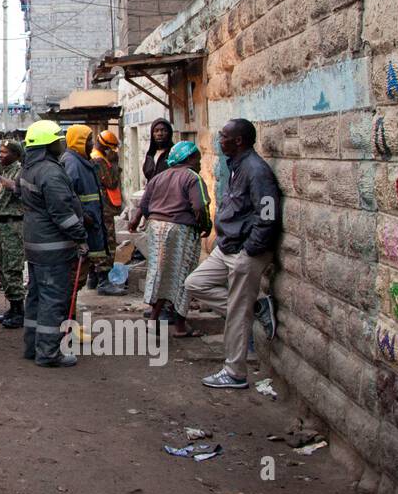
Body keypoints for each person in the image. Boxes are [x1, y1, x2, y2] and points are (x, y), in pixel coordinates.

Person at [182, 120, 282, 389]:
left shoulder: (256, 171)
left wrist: (249, 251)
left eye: (224, 137)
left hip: (245, 252)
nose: (219, 141)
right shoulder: (236, 166)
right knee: (194, 284)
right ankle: (256, 306)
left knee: (237, 313)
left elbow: (268, 215)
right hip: (226, 248)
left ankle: (235, 372)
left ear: (238, 141)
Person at [20, 120, 89, 368]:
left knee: (36, 297)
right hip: (54, 248)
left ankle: (32, 347)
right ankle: (49, 353)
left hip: (36, 245)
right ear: (49, 145)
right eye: (58, 140)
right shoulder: (50, 172)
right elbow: (63, 213)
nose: (62, 143)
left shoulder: (30, 169)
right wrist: (80, 236)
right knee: (53, 299)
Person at [129, 141, 211, 338]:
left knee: (160, 272)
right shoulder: (192, 177)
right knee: (183, 276)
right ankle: (180, 327)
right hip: (180, 229)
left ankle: (153, 321)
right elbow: (199, 207)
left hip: (156, 228)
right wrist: (206, 226)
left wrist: (135, 221)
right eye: (197, 159)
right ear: (189, 158)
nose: (199, 163)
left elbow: (144, 204)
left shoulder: (159, 177)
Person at [0, 139, 27, 329]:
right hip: (3, 225)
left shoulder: (19, 170)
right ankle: (12, 307)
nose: (1, 155)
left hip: (14, 225)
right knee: (3, 268)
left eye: (5, 152)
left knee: (12, 268)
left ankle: (19, 311)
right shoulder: (7, 170)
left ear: (16, 154)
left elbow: (16, 187)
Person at [63, 125, 107, 293]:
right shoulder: (72, 163)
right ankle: (67, 316)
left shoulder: (82, 161)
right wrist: (84, 216)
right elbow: (68, 198)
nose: (91, 145)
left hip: (89, 225)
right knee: (74, 279)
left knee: (78, 279)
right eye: (88, 141)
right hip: (82, 228)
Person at [91, 129, 126, 295]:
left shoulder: (97, 157)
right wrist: (115, 165)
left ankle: (94, 279)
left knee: (99, 242)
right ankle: (103, 282)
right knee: (108, 244)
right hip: (104, 209)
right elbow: (111, 182)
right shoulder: (99, 161)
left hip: (102, 207)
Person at [142, 119, 175, 183]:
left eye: (164, 130)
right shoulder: (150, 156)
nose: (159, 134)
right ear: (152, 134)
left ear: (169, 133)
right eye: (156, 131)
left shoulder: (174, 154)